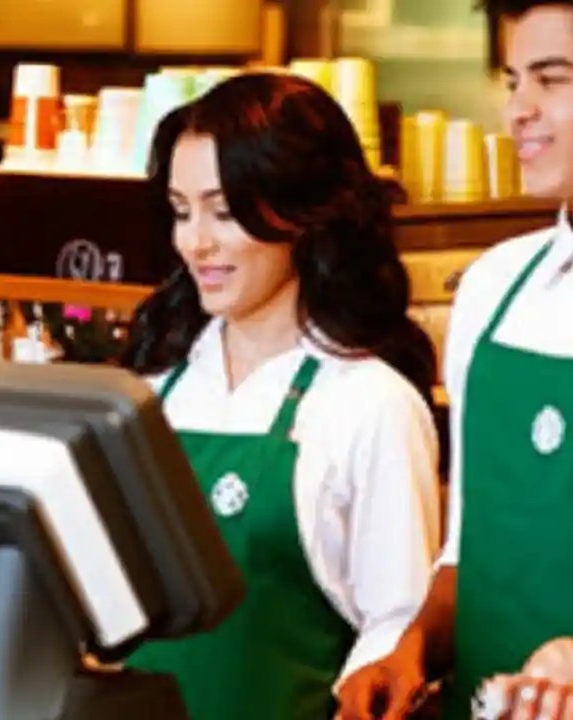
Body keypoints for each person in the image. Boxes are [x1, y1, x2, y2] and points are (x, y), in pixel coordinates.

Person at [336, 2, 573, 718]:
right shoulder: (490, 287)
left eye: (552, 79)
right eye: (512, 82)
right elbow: (466, 553)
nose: (518, 111)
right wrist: (412, 648)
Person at [118, 71, 442, 720]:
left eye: (224, 210)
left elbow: (396, 625)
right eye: (181, 211)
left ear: (303, 213)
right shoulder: (151, 389)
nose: (195, 242)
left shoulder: (368, 403)